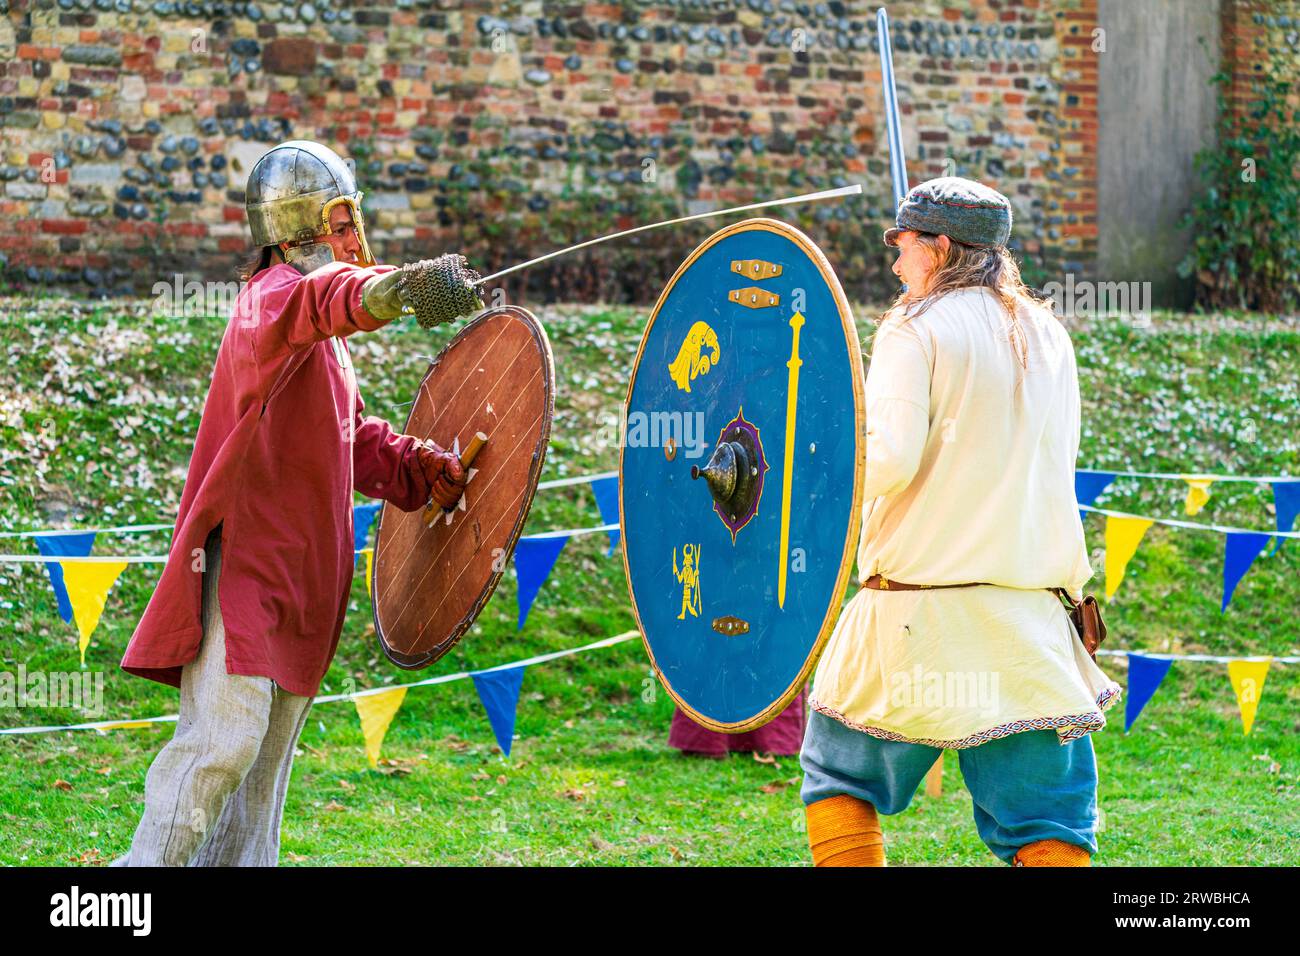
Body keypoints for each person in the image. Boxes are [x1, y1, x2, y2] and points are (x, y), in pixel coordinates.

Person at [112, 141, 480, 866]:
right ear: (296, 231)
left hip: (305, 579)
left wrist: (419, 467)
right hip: (246, 569)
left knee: (263, 776)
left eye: (353, 222)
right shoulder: (269, 300)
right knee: (223, 744)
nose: (352, 240)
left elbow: (349, 439)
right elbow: (326, 297)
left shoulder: (326, 346)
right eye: (337, 224)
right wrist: (399, 289)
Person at [799, 177, 1121, 867]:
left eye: (904, 245)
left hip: (917, 615)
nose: (895, 264)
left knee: (839, 776)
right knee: (1047, 819)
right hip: (1027, 621)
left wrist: (819, 457)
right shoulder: (1050, 333)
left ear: (940, 247)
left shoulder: (912, 327)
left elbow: (884, 464)